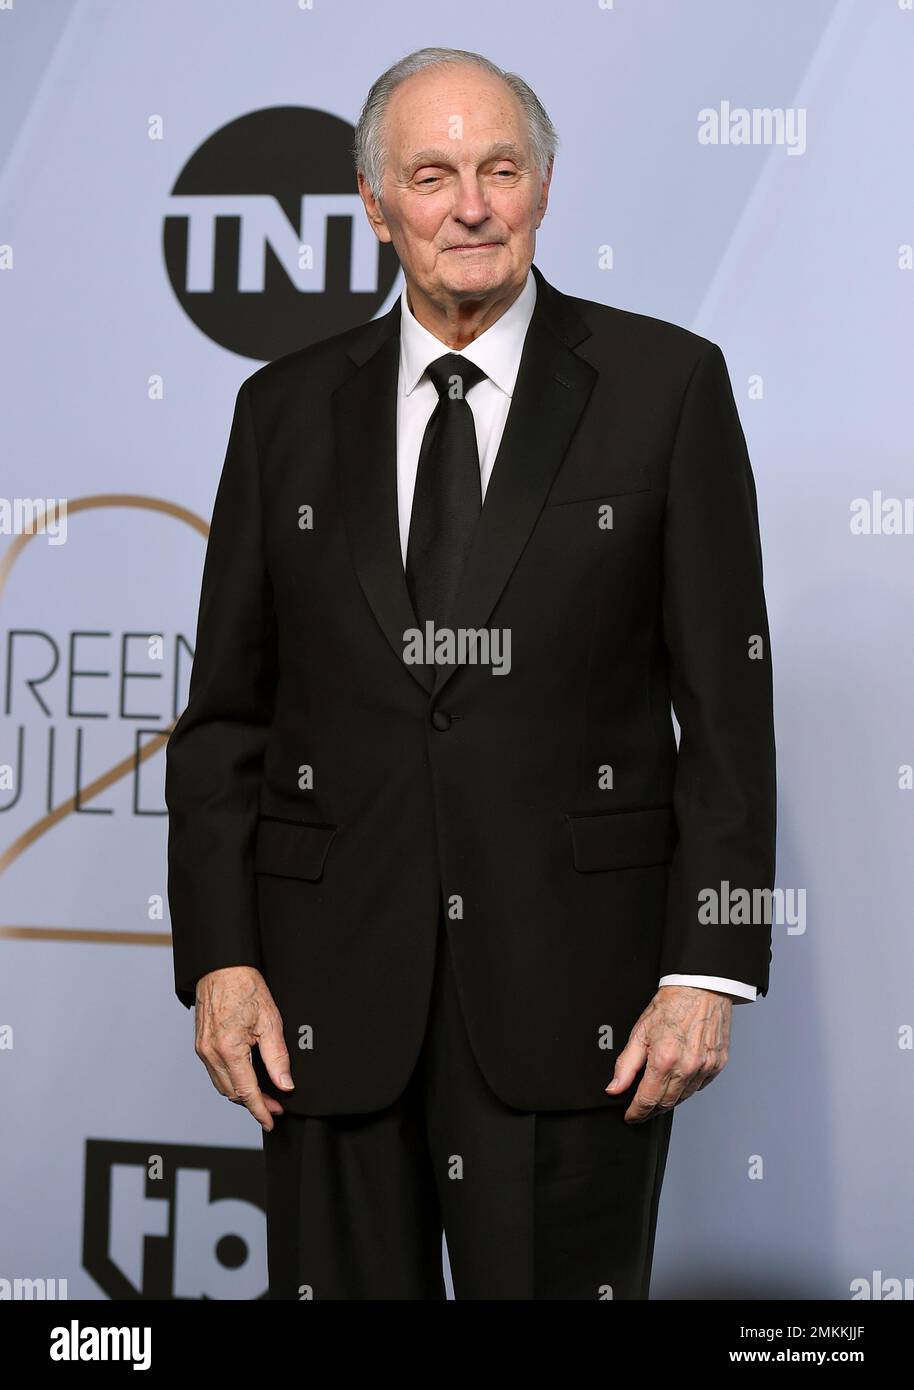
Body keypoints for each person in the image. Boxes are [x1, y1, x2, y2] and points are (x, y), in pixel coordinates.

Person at [165, 45, 776, 1300]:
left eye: (500, 169)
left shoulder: (665, 387)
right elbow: (227, 712)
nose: (471, 205)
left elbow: (727, 703)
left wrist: (704, 969)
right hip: (323, 1005)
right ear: (373, 202)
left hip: (579, 1001)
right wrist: (220, 958)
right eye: (431, 174)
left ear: (544, 188)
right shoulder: (280, 410)